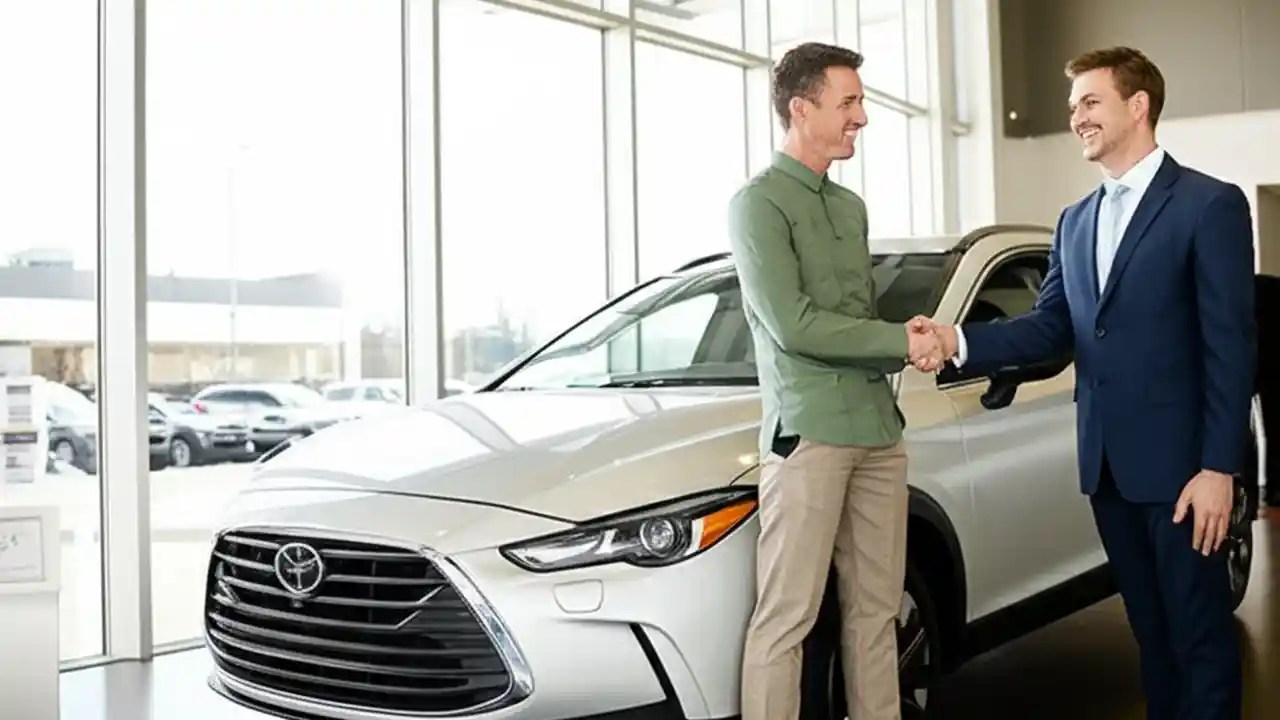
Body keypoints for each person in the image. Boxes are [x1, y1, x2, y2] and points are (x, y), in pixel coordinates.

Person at [914, 46, 1253, 719]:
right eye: (1073, 107)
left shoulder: (1208, 205)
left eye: (1090, 102)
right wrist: (958, 342)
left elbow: (1230, 345)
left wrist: (1219, 466)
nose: (1077, 118)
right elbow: (1050, 330)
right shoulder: (1075, 221)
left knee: (1201, 640)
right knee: (1152, 640)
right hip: (1107, 471)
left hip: (1186, 473)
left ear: (1139, 105)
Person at [728, 42, 942, 720]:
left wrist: (910, 343)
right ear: (801, 108)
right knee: (786, 618)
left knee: (877, 613)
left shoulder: (849, 209)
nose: (862, 117)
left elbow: (853, 322)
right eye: (847, 102)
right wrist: (900, 343)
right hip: (808, 436)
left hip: (879, 432)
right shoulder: (757, 205)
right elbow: (794, 325)